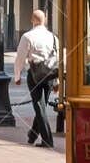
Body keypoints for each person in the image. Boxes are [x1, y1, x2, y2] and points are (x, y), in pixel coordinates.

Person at [14, 9, 59, 147]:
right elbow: (57, 60)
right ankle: (32, 135)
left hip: (35, 75)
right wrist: (57, 81)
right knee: (42, 106)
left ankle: (47, 140)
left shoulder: (27, 36)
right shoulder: (53, 37)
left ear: (32, 20)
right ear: (44, 20)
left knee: (39, 107)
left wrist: (17, 76)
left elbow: (20, 58)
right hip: (50, 75)